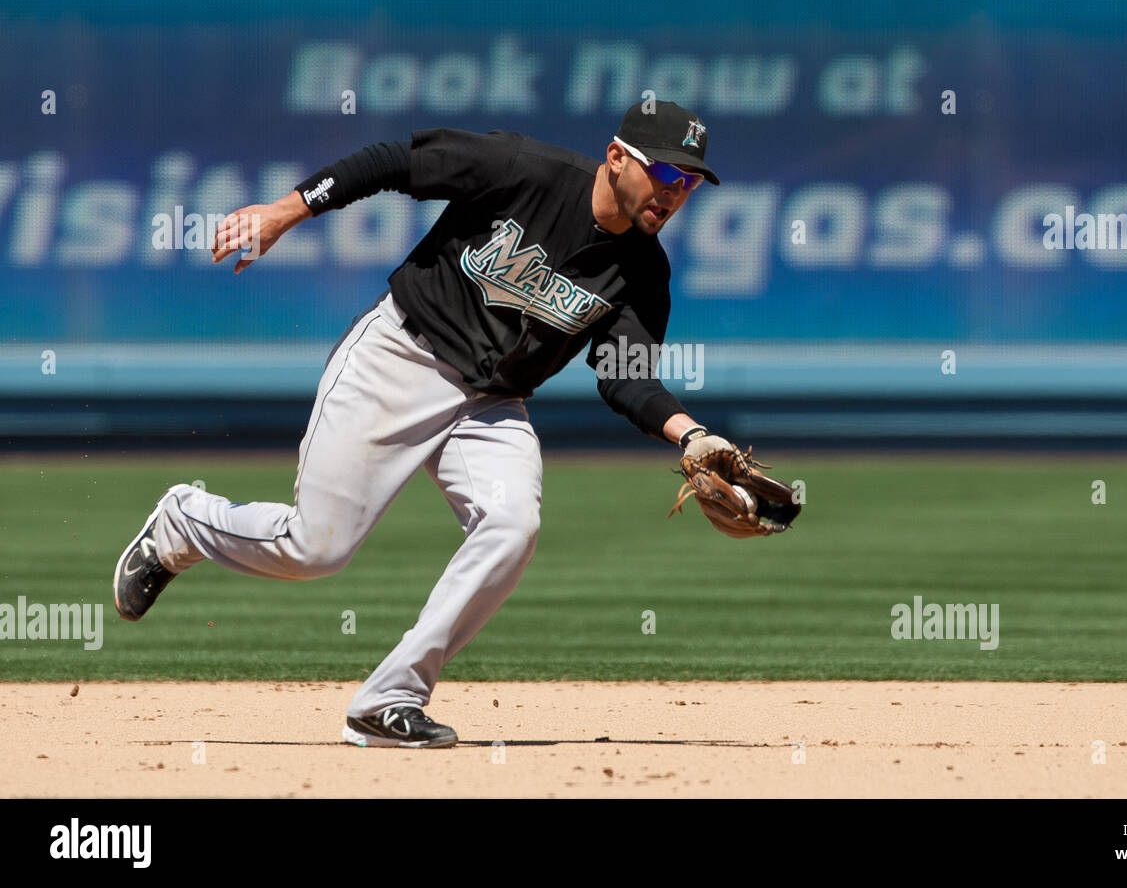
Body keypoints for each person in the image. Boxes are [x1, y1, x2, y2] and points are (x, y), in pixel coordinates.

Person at [112, 101, 738, 748]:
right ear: (616, 157)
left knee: (512, 524)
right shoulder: (523, 169)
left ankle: (391, 698)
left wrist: (692, 434)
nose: (675, 191)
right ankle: (182, 521)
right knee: (315, 550)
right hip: (400, 357)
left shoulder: (644, 272)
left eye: (689, 182)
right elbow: (394, 162)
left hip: (490, 404)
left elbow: (623, 376)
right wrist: (284, 212)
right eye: (666, 171)